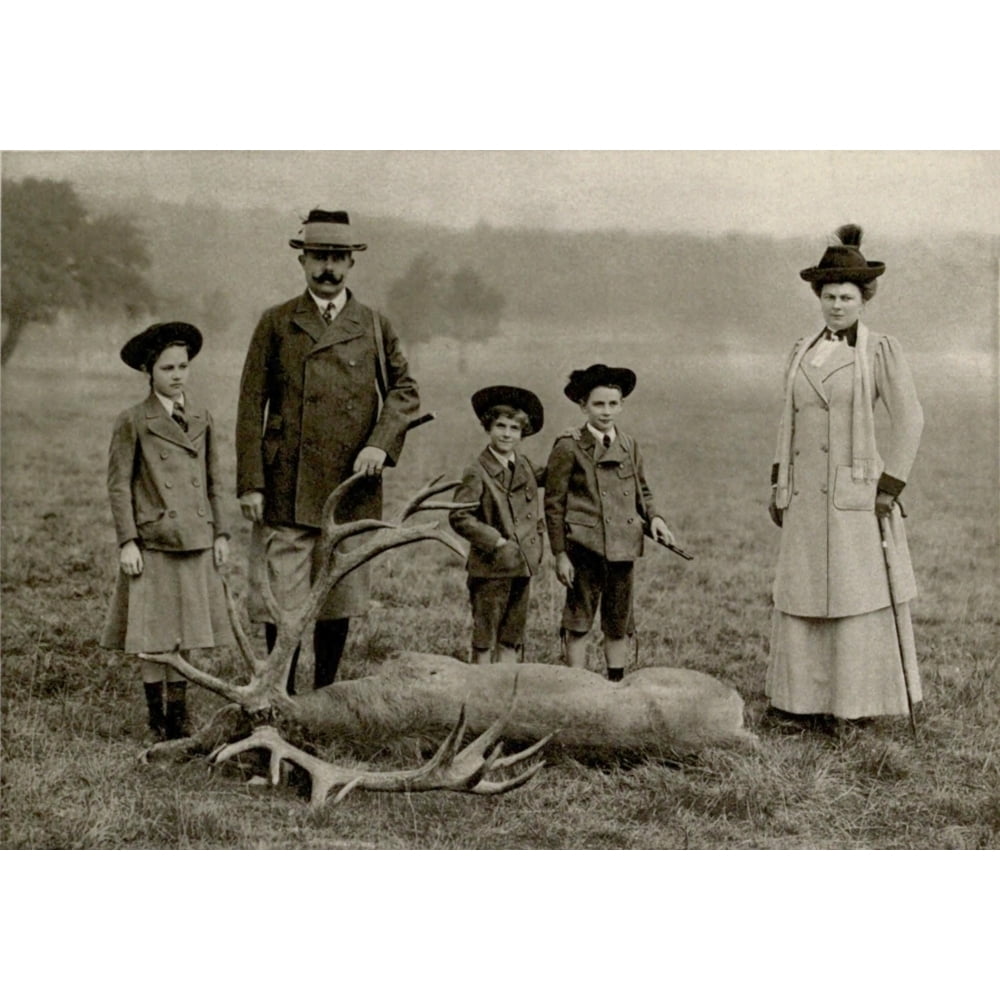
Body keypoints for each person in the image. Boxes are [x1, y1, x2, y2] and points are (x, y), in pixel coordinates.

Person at [236, 208, 420, 692]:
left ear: (352, 263)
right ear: (302, 260)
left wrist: (379, 446)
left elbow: (405, 392)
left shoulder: (374, 325)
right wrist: (251, 482)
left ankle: (326, 694)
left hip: (350, 484)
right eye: (319, 256)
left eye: (338, 258)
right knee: (285, 598)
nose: (328, 268)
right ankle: (281, 691)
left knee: (338, 596)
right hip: (287, 485)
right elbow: (250, 404)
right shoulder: (276, 323)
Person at [767, 224, 924, 728]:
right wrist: (779, 482)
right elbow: (786, 422)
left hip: (856, 495)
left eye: (847, 297)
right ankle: (800, 703)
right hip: (804, 497)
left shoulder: (878, 352)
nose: (837, 305)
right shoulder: (801, 351)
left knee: (855, 597)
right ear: (818, 297)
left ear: (864, 300)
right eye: (829, 296)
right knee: (804, 594)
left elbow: (912, 419)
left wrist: (889, 486)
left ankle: (853, 707)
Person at [101, 322, 232, 741]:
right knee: (153, 632)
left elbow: (214, 480)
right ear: (149, 372)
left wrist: (222, 532)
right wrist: (128, 540)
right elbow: (119, 484)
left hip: (195, 537)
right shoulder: (134, 420)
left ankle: (180, 714)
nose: (177, 375)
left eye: (183, 367)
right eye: (167, 368)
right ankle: (156, 717)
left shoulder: (202, 417)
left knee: (187, 630)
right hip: (154, 541)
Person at [544, 364, 677, 681]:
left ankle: (615, 685)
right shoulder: (568, 445)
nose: (606, 412)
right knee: (579, 618)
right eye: (599, 404)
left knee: (618, 620)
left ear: (621, 405)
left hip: (623, 546)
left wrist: (655, 518)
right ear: (583, 406)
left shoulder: (629, 444)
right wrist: (560, 554)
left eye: (613, 404)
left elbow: (641, 489)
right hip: (583, 547)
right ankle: (576, 685)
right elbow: (553, 504)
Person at [449, 385, 547, 664]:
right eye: (500, 426)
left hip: (522, 563)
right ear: (488, 428)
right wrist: (495, 541)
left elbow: (552, 475)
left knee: (512, 634)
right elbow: (459, 516)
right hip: (491, 566)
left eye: (514, 428)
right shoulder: (477, 470)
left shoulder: (524, 464)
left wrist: (571, 444)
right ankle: (481, 688)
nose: (507, 433)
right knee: (485, 634)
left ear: (522, 433)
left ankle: (504, 689)